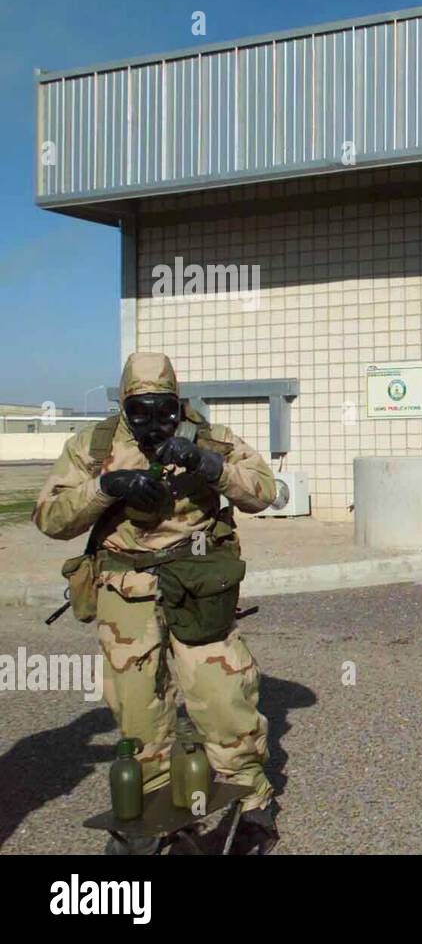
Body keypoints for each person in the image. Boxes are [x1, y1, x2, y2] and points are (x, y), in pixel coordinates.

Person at [33, 352, 280, 854]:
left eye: (164, 409)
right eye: (139, 409)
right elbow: (51, 518)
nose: (152, 420)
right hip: (126, 593)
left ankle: (254, 806)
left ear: (178, 402)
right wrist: (105, 488)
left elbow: (265, 493)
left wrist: (210, 466)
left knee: (223, 697)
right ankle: (155, 818)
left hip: (196, 587)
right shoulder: (93, 446)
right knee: (138, 712)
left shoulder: (211, 437)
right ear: (124, 403)